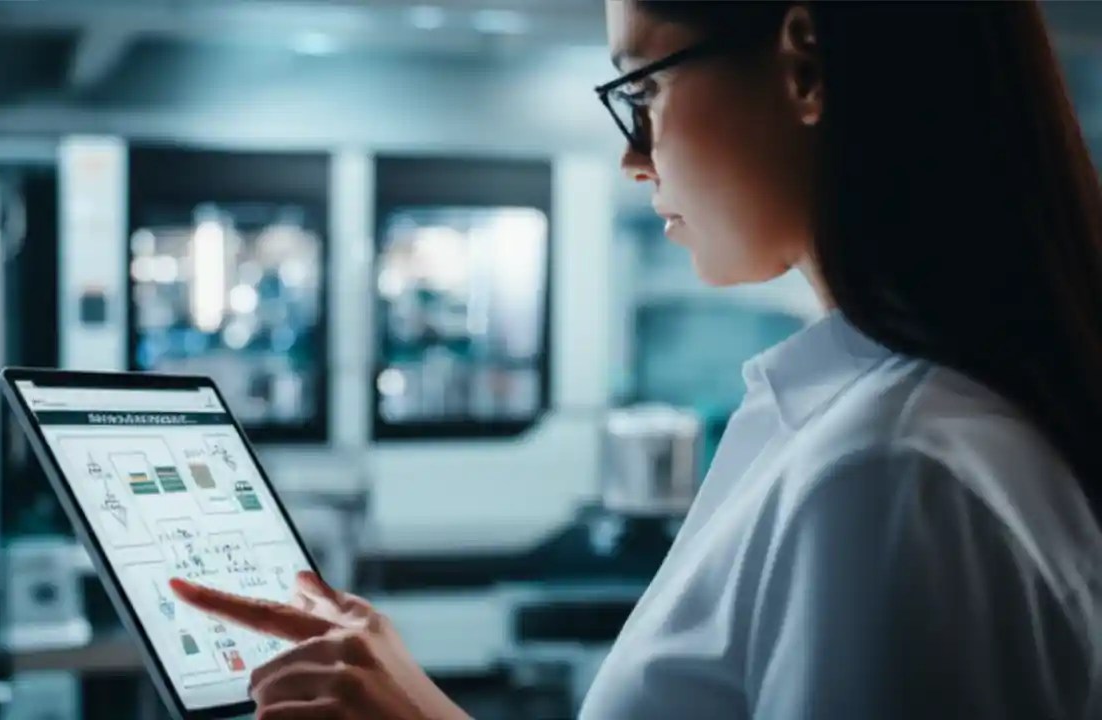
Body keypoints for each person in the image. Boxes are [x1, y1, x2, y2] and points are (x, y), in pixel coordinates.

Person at [171, 2, 1102, 718]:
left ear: (804, 62)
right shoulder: (890, 429)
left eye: (643, 90)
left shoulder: (891, 472)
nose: (632, 159)